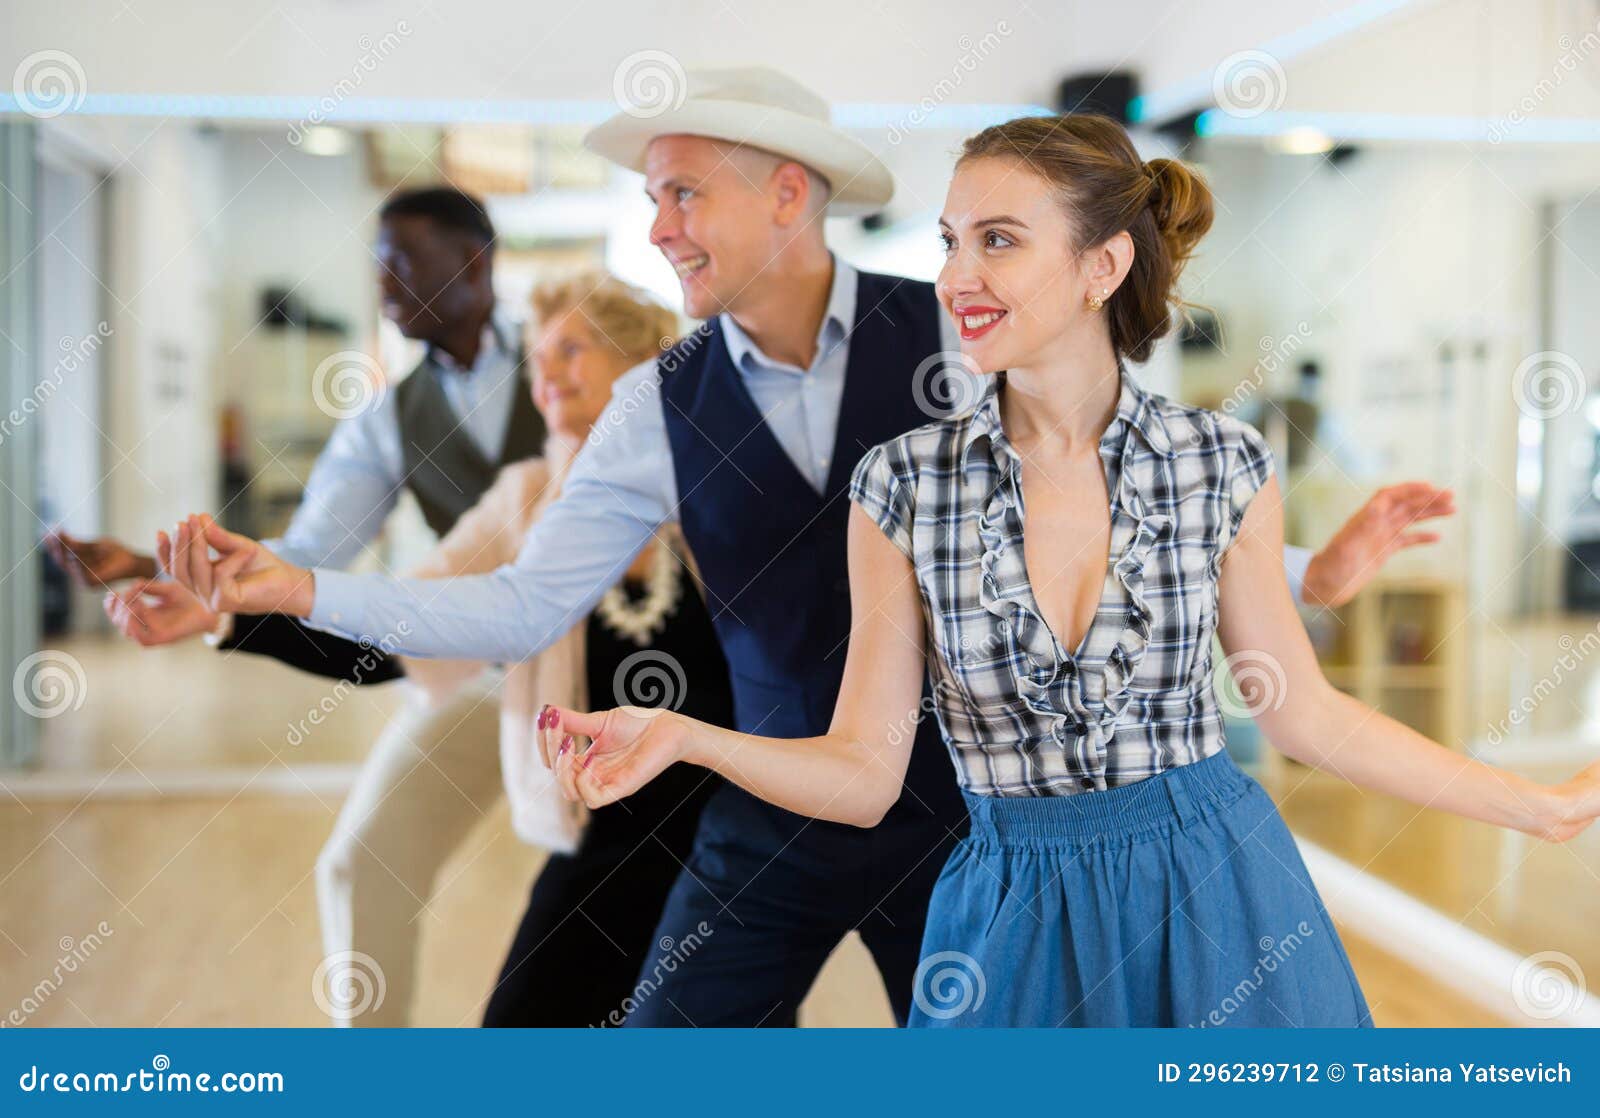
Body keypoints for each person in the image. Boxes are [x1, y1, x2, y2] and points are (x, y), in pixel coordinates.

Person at [170, 70, 1457, 1028]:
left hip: (963, 829)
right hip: (775, 818)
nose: (661, 224)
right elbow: (519, 605)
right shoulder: (655, 405)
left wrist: (1304, 578)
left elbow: (1106, 519)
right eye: (650, 198)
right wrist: (297, 587)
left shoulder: (965, 334)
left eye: (685, 191)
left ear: (789, 193)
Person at [522, 112, 1600, 1027]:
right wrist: (685, 737)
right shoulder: (899, 486)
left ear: (1102, 264)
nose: (955, 277)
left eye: (997, 241)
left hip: (1218, 893)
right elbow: (862, 772)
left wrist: (1536, 806)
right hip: (1009, 914)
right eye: (949, 241)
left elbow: (1308, 717)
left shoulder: (1219, 463)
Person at [113, 274, 734, 1027]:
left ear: (642, 361)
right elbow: (398, 627)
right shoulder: (526, 497)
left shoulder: (716, 482)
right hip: (607, 838)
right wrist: (229, 614)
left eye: (572, 350)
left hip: (730, 825)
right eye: (537, 360)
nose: (546, 376)